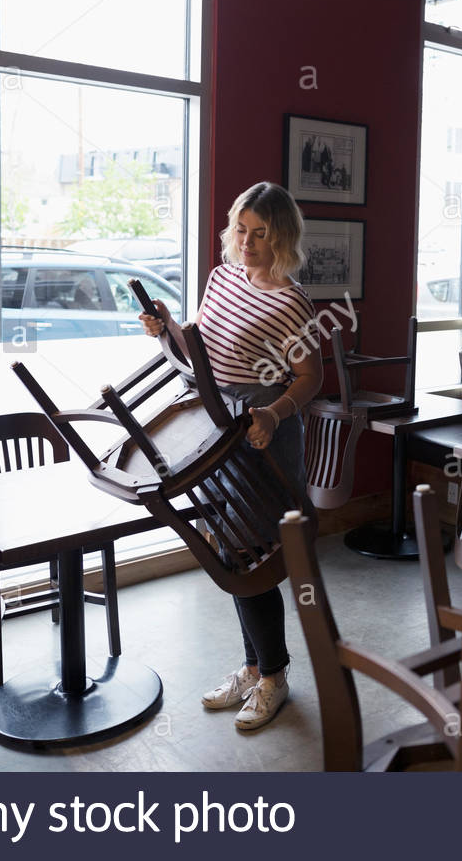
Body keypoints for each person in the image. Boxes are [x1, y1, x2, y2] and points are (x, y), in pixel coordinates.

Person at [139, 181, 323, 731]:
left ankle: (273, 676)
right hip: (214, 424)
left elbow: (311, 379)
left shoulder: (291, 301)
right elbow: (203, 359)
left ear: (281, 236)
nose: (246, 241)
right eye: (241, 229)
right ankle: (254, 667)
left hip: (261, 430)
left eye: (259, 233)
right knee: (233, 553)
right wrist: (166, 330)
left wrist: (272, 415)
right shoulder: (221, 278)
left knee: (255, 554)